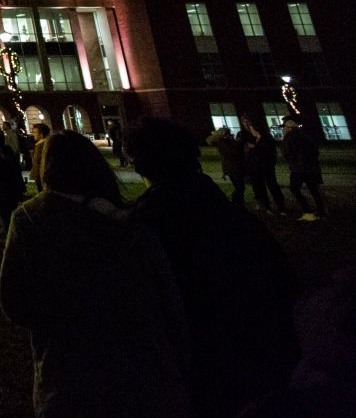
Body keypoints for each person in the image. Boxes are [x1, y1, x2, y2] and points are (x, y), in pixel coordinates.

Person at [0, 130, 190, 416]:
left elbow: (14, 300)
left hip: (68, 374)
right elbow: (170, 299)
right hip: (144, 368)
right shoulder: (129, 219)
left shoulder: (32, 218)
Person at [126, 117, 298, 415]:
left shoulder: (140, 229)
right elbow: (284, 285)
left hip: (191, 375)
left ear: (139, 164)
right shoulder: (236, 218)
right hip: (260, 368)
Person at [280, 117, 327, 220]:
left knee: (294, 189)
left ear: (289, 128)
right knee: (314, 190)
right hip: (311, 167)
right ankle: (322, 212)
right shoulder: (306, 136)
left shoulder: (288, 137)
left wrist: (292, 160)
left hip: (298, 169)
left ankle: (307, 211)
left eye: (285, 127)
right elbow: (315, 151)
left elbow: (286, 153)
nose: (283, 129)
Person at [241, 116, 287, 215]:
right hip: (254, 167)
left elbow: (270, 150)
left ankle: (281, 207)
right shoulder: (243, 135)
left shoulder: (266, 137)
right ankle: (267, 207)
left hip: (266, 166)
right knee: (260, 188)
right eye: (244, 122)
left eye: (248, 122)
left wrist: (256, 144)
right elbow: (243, 151)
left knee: (273, 186)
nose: (247, 124)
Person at [208, 124, 248, 207]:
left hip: (233, 168)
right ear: (224, 134)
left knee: (240, 187)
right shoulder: (222, 143)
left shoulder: (225, 142)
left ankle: (239, 201)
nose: (230, 134)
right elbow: (234, 153)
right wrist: (235, 142)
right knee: (240, 187)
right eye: (228, 133)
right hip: (233, 169)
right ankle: (235, 201)